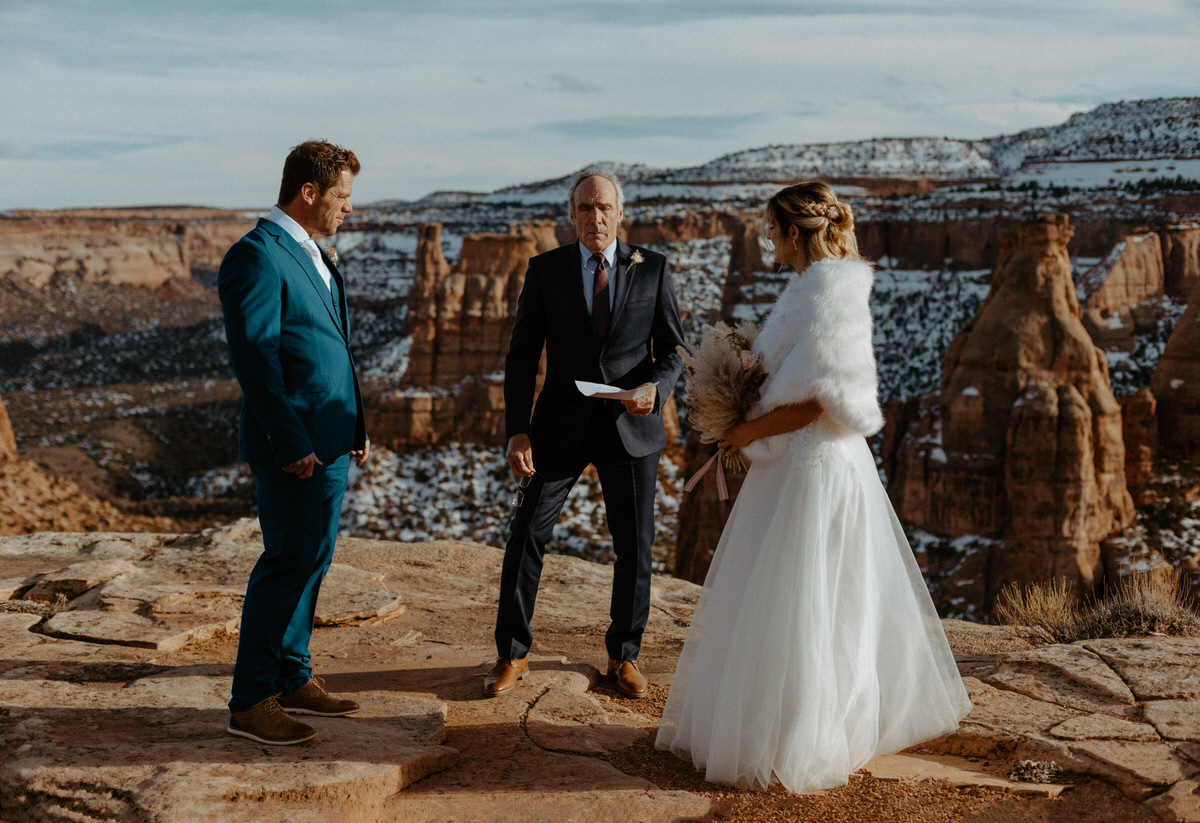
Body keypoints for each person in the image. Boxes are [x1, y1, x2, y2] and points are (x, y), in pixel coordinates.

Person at [655, 182, 970, 791]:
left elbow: (818, 404)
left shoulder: (830, 293)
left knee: (812, 602)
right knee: (790, 601)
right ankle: (780, 731)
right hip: (794, 468)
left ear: (796, 232)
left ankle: (803, 739)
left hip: (815, 470)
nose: (767, 239)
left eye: (773, 229)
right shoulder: (811, 287)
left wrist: (745, 430)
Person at [487, 170, 686, 699]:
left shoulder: (654, 270)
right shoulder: (545, 270)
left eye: (603, 208)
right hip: (558, 428)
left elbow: (672, 351)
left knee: (635, 547)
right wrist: (517, 430)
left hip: (631, 428)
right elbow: (522, 355)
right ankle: (512, 654)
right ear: (571, 214)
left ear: (620, 212)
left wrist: (656, 388)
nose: (594, 218)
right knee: (527, 534)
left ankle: (624, 657)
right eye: (583, 209)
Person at [218, 140, 370, 745]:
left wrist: (353, 426)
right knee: (286, 563)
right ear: (309, 194)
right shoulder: (257, 255)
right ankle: (252, 701)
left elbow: (332, 349)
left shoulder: (313, 253)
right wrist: (290, 440)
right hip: (294, 449)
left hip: (329, 441)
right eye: (343, 197)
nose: (349, 210)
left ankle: (294, 673)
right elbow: (256, 360)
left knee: (314, 559)